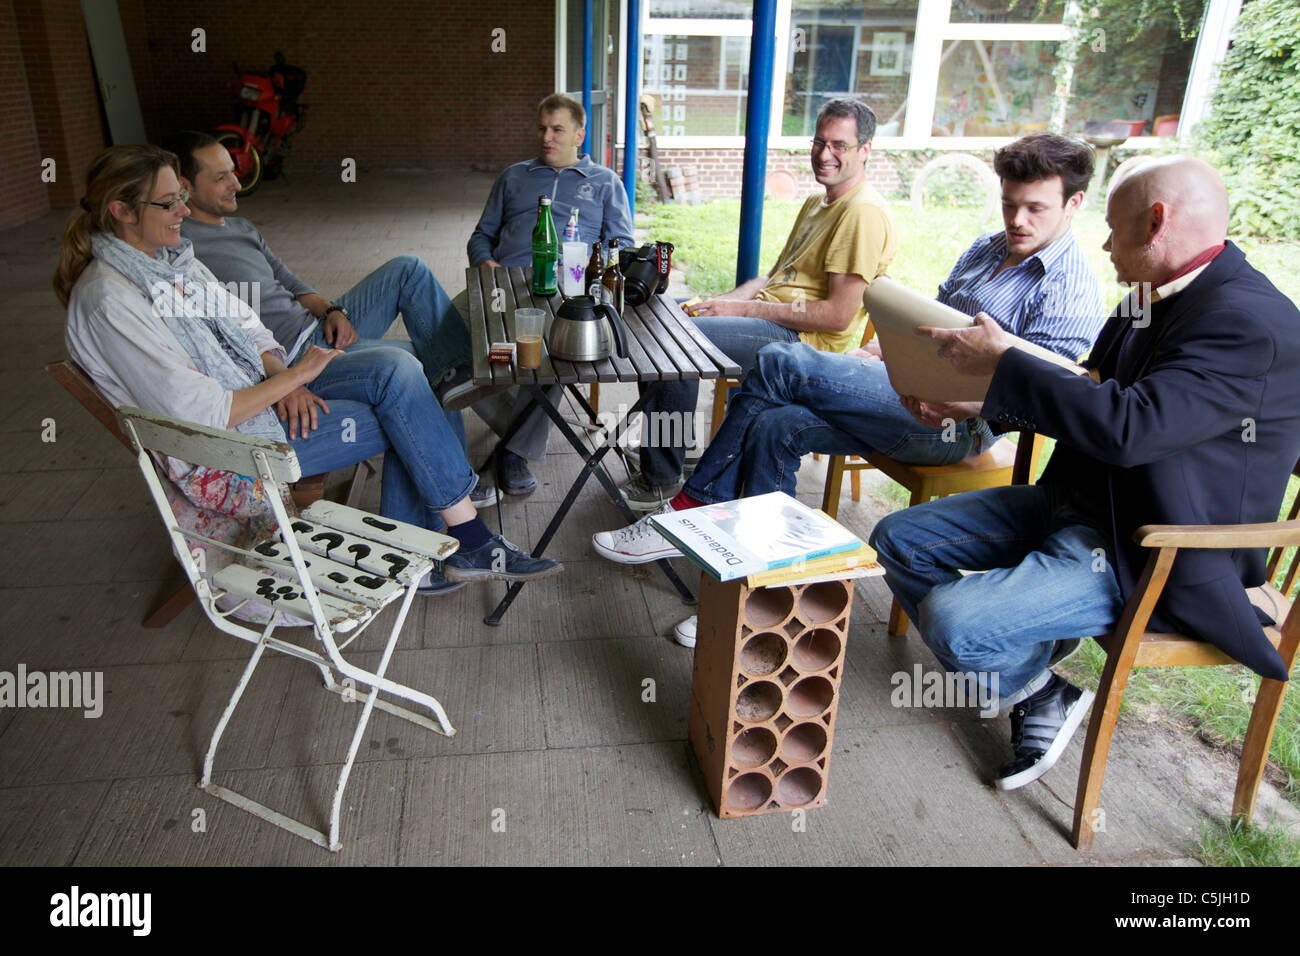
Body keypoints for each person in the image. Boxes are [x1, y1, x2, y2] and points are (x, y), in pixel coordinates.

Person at [864, 155, 1300, 790]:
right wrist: (980, 401)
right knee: (895, 540)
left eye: (1114, 227)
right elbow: (1092, 384)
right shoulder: (1150, 297)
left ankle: (1028, 670)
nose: (1102, 242)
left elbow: (1131, 428)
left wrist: (1007, 356)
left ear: (1157, 222)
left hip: (1148, 547)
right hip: (1079, 500)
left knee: (957, 623)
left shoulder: (1250, 325)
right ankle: (1037, 685)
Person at [593, 133, 1106, 647]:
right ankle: (753, 598)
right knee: (773, 425)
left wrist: (964, 402)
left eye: (1035, 208)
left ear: (1075, 203)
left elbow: (1046, 402)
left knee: (777, 362)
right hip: (899, 388)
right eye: (1009, 203)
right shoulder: (988, 247)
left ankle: (690, 505)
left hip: (956, 425)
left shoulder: (1068, 288)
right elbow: (928, 321)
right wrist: (879, 352)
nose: (1017, 220)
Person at [57, 145, 561, 595]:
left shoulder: (172, 262)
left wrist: (282, 373)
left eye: (181, 197)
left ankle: (454, 535)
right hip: (229, 453)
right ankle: (450, 546)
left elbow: (247, 324)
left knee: (400, 370)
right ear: (120, 210)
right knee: (407, 404)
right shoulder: (112, 301)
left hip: (261, 391)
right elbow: (203, 412)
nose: (184, 211)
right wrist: (291, 380)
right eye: (169, 203)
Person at [166, 131, 492, 498]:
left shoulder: (242, 228)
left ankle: (459, 371)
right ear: (184, 186)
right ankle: (457, 478)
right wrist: (286, 381)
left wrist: (332, 310)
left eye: (233, 172)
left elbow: (291, 283)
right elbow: (218, 342)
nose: (237, 184)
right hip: (294, 359)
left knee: (408, 269)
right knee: (421, 373)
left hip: (317, 328)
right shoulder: (182, 249)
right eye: (221, 177)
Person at [623, 97, 899, 512]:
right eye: (819, 142)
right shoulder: (816, 203)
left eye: (839, 145)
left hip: (804, 344)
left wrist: (744, 311)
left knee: (674, 340)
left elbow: (837, 315)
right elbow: (773, 277)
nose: (825, 155)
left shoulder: (862, 212)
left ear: (866, 150)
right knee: (656, 315)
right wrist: (724, 301)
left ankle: (662, 477)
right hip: (772, 318)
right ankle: (668, 451)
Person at [458, 93, 635, 497]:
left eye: (557, 129)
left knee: (560, 348)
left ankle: (513, 451)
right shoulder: (514, 176)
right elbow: (481, 236)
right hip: (502, 284)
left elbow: (621, 246)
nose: (546, 137)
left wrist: (590, 271)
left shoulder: (605, 183)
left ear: (579, 134)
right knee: (449, 348)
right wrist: (485, 264)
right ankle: (518, 429)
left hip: (567, 290)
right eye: (541, 128)